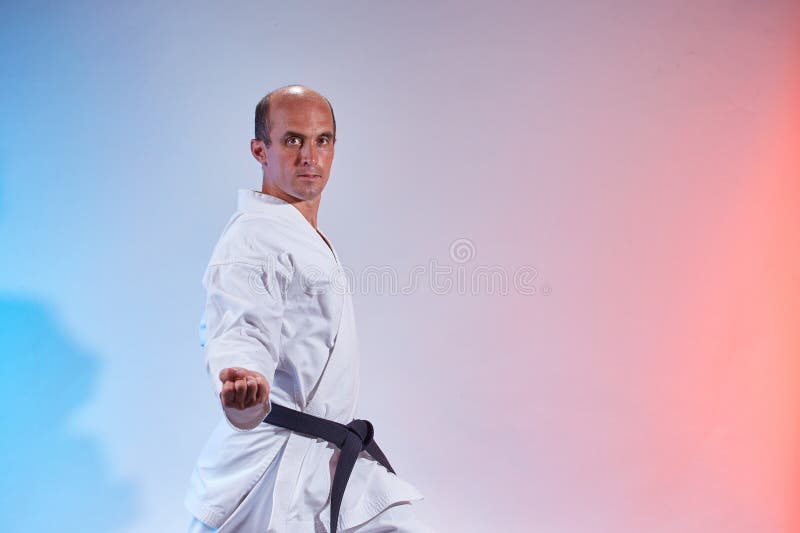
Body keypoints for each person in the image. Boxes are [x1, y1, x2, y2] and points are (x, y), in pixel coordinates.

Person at [184, 85, 433, 532]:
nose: (309, 156)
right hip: (272, 467)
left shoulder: (295, 233)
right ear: (260, 150)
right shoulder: (252, 238)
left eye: (322, 140)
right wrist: (244, 385)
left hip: (325, 457)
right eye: (293, 139)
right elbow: (239, 327)